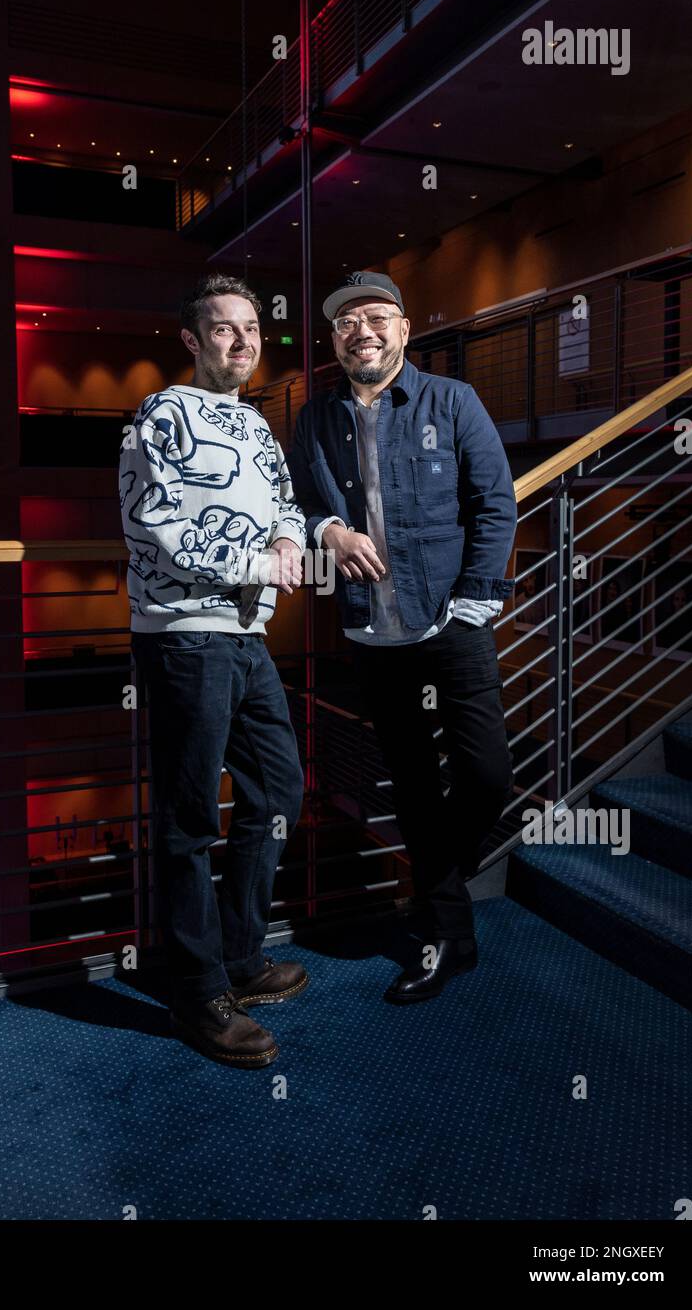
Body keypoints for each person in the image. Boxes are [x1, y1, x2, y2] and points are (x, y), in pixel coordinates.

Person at [288, 270, 517, 1003]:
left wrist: (477, 599)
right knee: (415, 788)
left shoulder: (454, 402)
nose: (364, 330)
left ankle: (435, 889)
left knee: (487, 777)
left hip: (451, 623)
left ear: (404, 328)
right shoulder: (315, 418)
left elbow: (495, 502)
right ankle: (451, 935)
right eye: (348, 321)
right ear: (334, 340)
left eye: (377, 316)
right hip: (373, 633)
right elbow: (298, 503)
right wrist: (329, 530)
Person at [120, 273, 308, 1068]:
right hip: (186, 637)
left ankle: (240, 953)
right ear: (194, 341)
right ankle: (198, 994)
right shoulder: (160, 415)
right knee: (190, 819)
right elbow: (154, 525)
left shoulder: (259, 427)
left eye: (254, 329)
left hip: (244, 637)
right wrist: (258, 563)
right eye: (225, 330)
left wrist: (293, 543)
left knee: (278, 789)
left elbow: (289, 505)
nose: (244, 342)